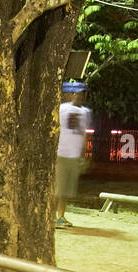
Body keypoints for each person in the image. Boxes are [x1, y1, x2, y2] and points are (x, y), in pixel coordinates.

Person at [55, 81, 91, 228]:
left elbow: (84, 134)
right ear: (71, 95)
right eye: (77, 93)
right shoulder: (61, 108)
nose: (79, 96)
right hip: (61, 153)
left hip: (74, 155)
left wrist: (84, 154)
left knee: (66, 190)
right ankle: (49, 216)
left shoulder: (85, 113)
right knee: (57, 187)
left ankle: (61, 216)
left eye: (82, 94)